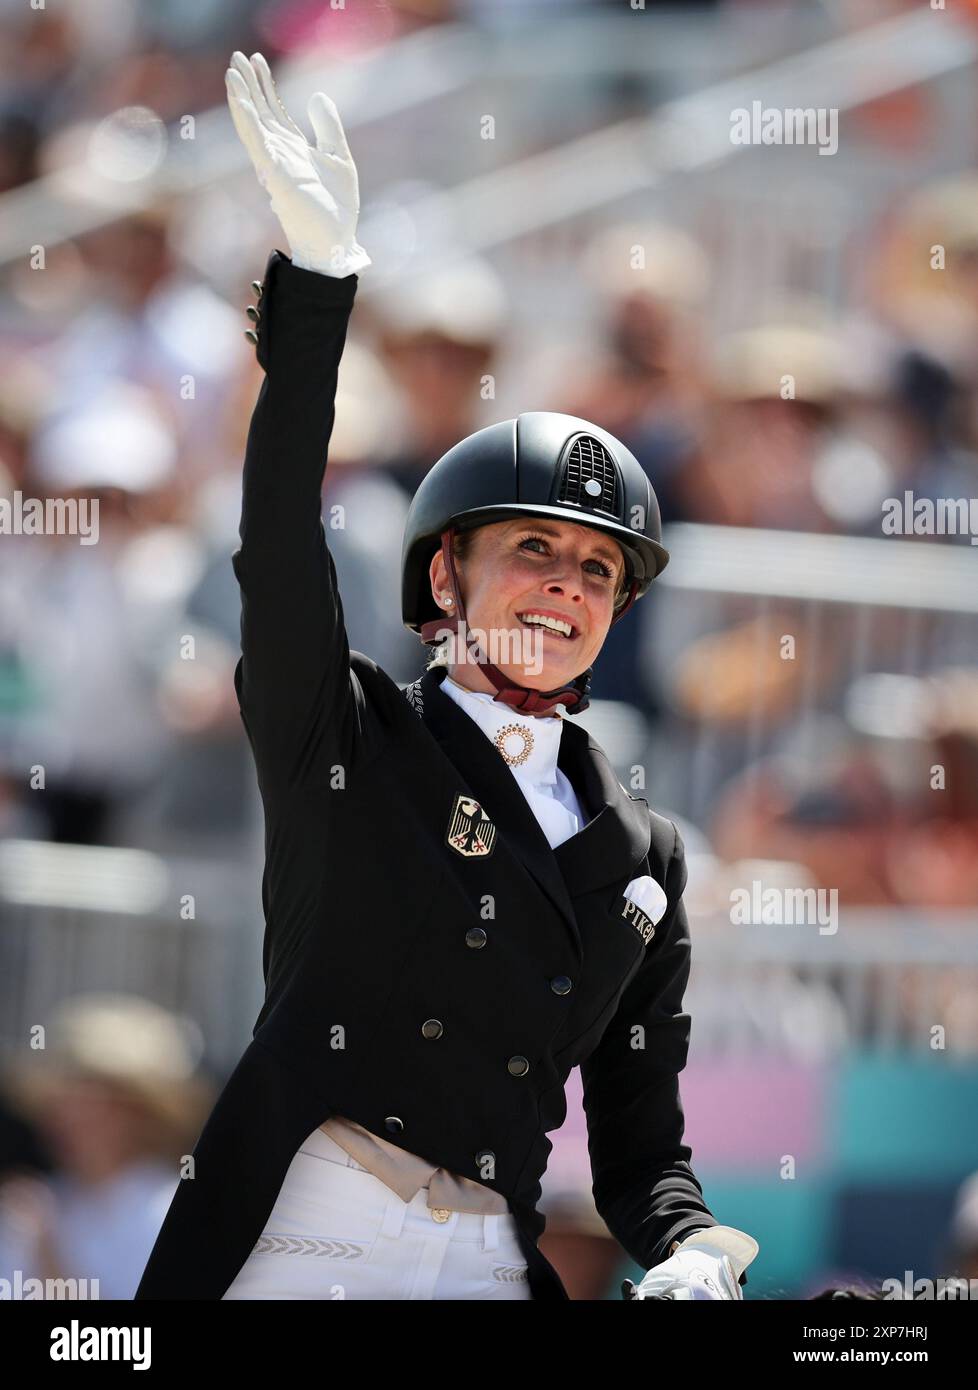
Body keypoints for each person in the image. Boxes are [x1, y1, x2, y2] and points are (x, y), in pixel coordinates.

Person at [135, 49, 759, 1302]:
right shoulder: (350, 729)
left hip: (486, 1261)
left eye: (596, 571)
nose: (565, 587)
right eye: (533, 549)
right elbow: (274, 543)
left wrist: (695, 1248)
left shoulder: (647, 857)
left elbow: (645, 1154)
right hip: (296, 1236)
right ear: (442, 581)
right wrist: (318, 291)